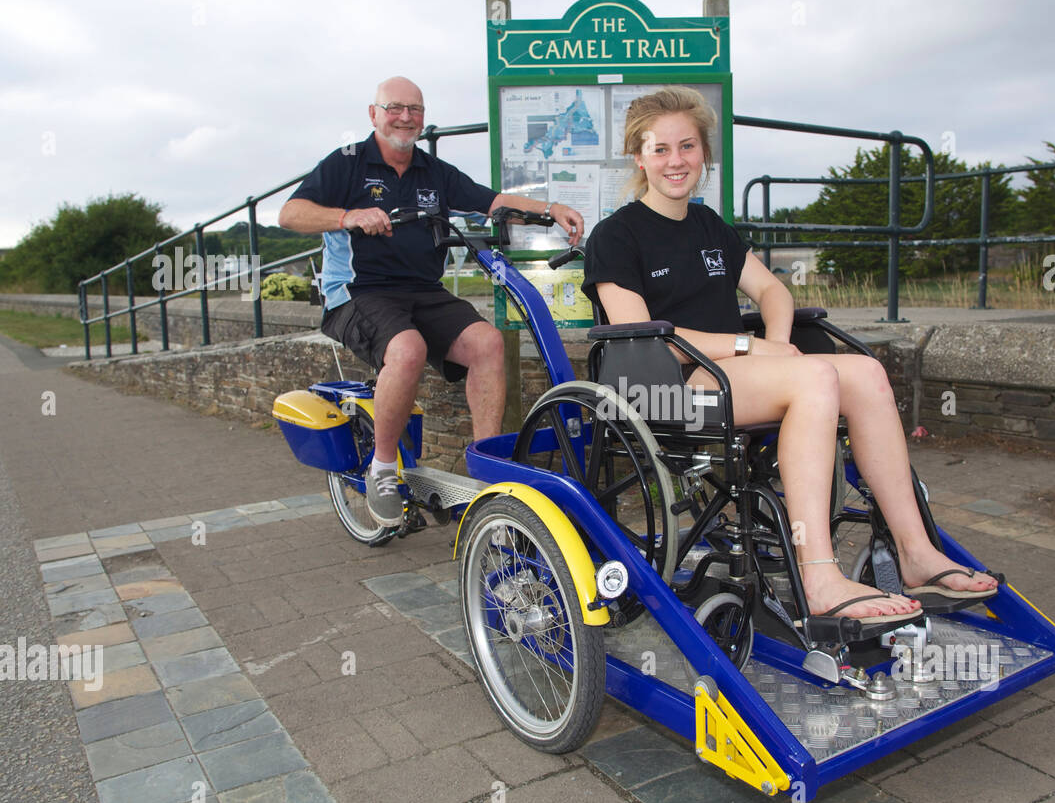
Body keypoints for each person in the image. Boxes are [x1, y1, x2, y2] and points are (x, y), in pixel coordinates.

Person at [581, 87, 998, 620]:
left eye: (686, 146)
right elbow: (642, 332)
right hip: (667, 387)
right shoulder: (615, 236)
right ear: (638, 157)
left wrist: (777, 343)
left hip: (741, 375)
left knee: (867, 373)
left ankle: (916, 552)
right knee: (815, 378)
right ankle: (819, 575)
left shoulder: (710, 227)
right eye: (659, 149)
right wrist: (749, 345)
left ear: (703, 152)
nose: (675, 160)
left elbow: (775, 292)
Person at [280, 76, 584, 527]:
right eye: (394, 108)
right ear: (374, 114)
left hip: (423, 292)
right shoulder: (346, 164)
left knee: (487, 343)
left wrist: (549, 208)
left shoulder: (432, 171)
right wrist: (348, 216)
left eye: (415, 110)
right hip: (360, 292)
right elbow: (290, 214)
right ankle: (383, 468)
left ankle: (488, 473)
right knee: (407, 350)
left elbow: (492, 200)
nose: (405, 117)